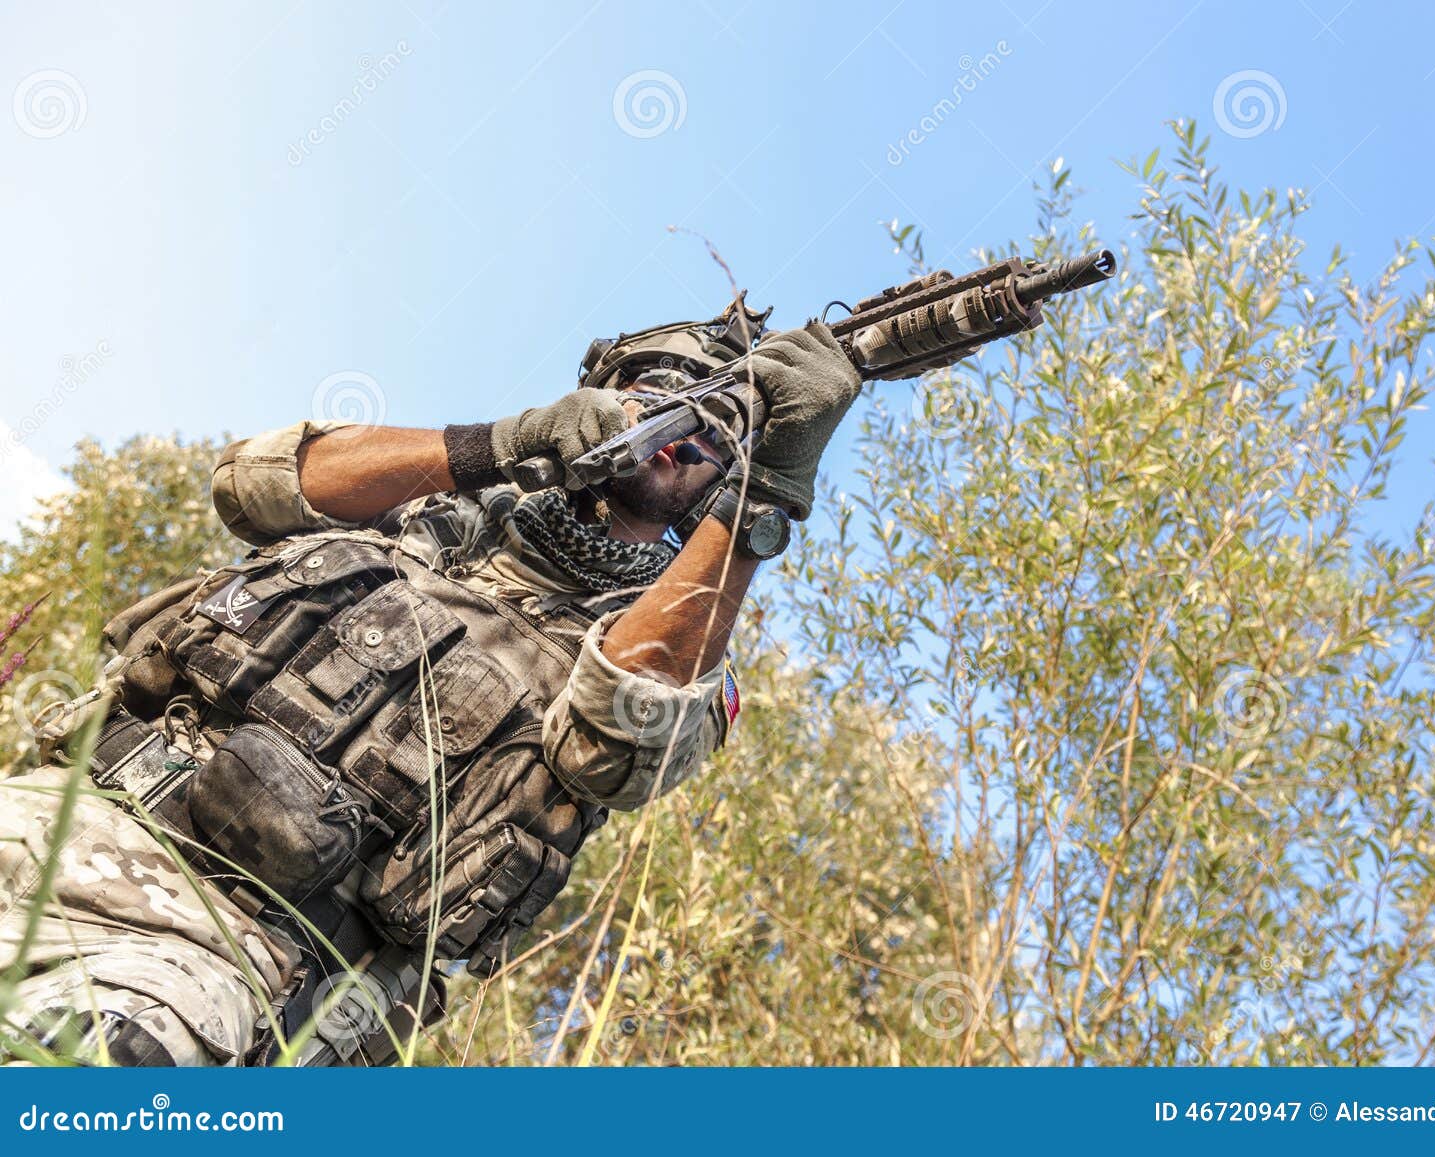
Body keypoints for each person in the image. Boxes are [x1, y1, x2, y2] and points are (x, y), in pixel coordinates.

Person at [0, 298, 861, 1065]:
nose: (683, 435)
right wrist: (508, 444)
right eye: (662, 394)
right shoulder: (421, 503)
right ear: (603, 389)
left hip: (232, 957)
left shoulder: (681, 642)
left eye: (720, 435)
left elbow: (620, 751)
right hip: (55, 820)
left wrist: (768, 499)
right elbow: (250, 482)